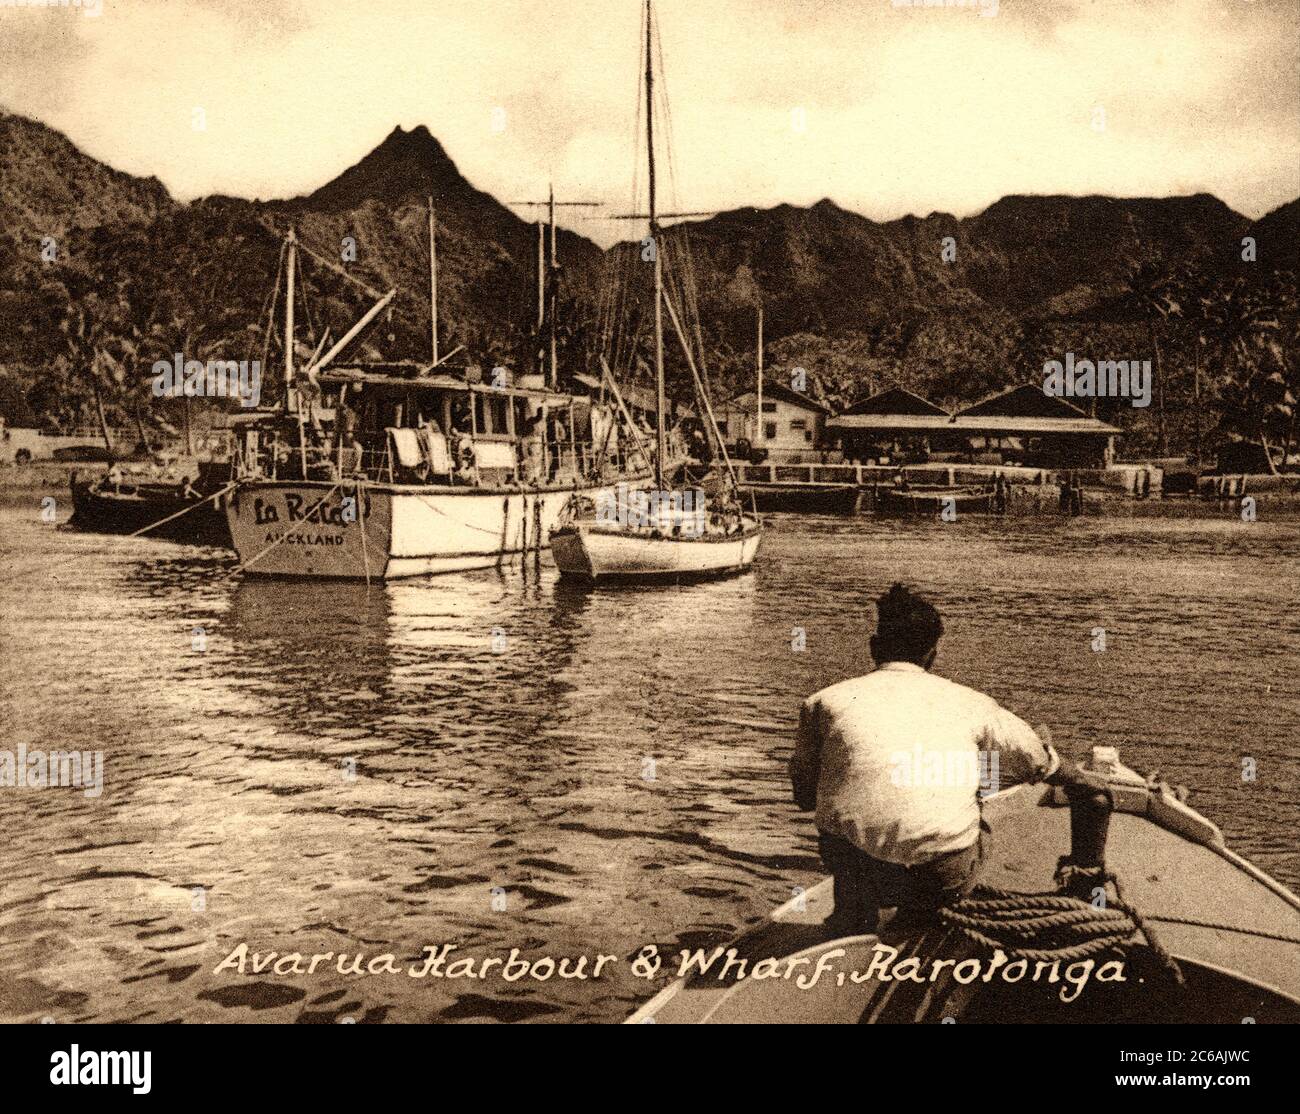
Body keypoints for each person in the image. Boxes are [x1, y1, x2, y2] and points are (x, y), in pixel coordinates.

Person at [789, 583, 1060, 935]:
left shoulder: (822, 702)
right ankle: (924, 916)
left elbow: (803, 799)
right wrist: (1049, 751)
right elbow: (1039, 763)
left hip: (857, 869)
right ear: (932, 655)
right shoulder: (972, 702)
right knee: (980, 805)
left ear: (874, 648)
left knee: (848, 833)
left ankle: (853, 914)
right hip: (938, 876)